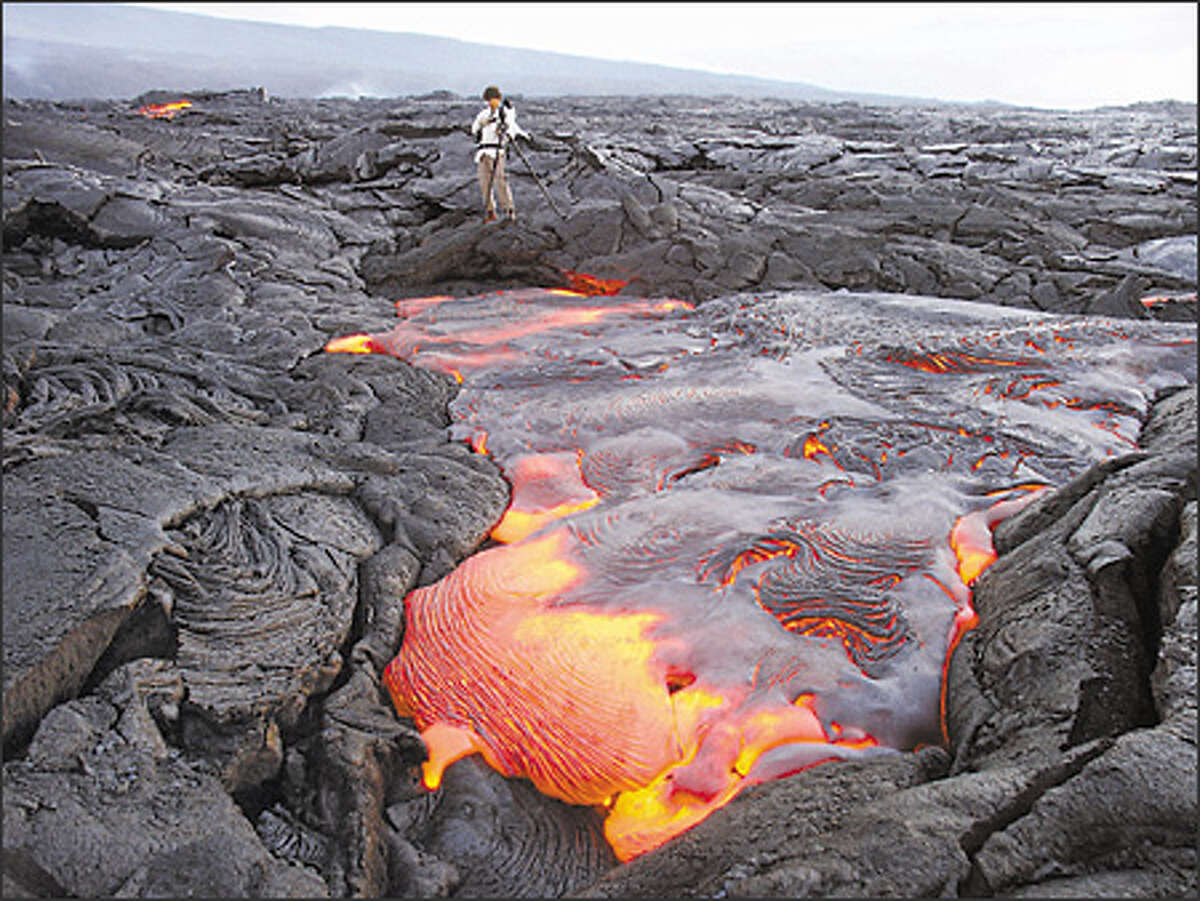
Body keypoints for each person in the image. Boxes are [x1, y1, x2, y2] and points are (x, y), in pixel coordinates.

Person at [471, 85, 528, 223]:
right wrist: (482, 124)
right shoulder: (483, 114)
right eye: (489, 100)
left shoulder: (505, 112)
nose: (491, 102)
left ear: (498, 98)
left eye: (493, 99)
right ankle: (490, 212)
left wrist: (503, 131)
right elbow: (474, 129)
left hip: (496, 151)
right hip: (483, 152)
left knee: (500, 181)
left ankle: (509, 211)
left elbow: (512, 129)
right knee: (485, 183)